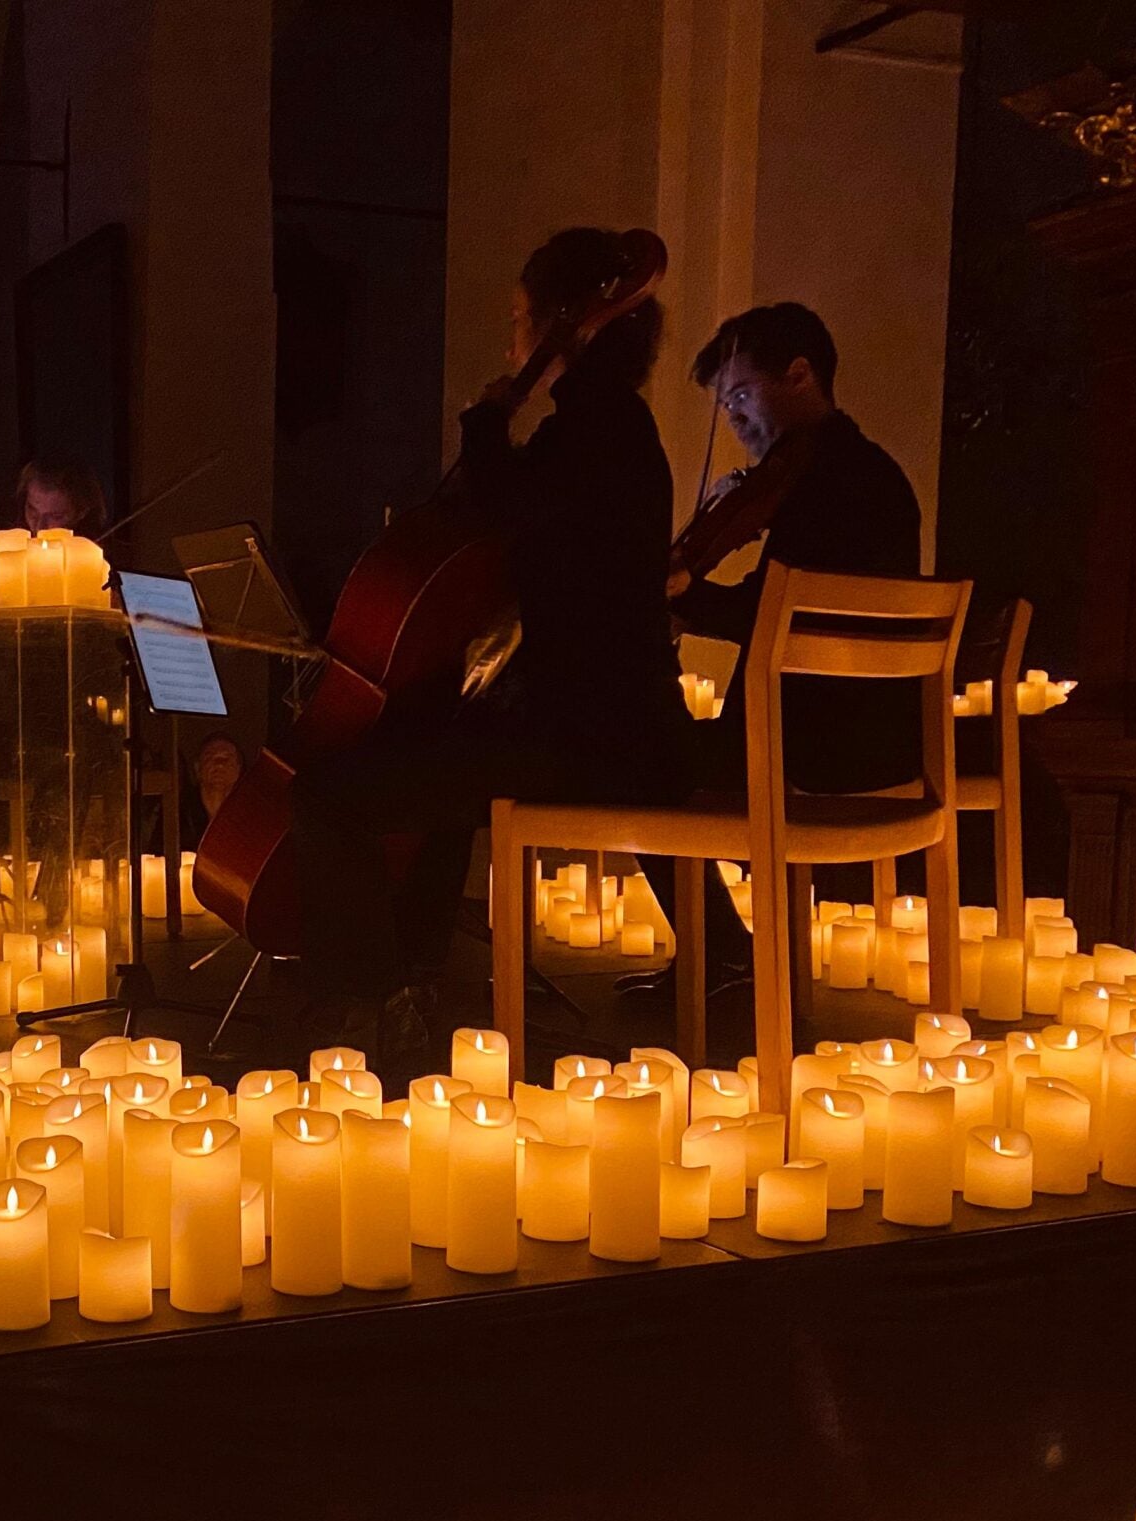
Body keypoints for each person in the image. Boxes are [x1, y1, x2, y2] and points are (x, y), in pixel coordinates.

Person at [291, 227, 695, 1065]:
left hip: (586, 738)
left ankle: (366, 1007)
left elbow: (497, 506)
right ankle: (409, 984)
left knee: (330, 792)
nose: (512, 338)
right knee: (427, 755)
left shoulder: (595, 431)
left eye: (521, 317)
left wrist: (487, 418)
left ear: (568, 325)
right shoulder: (609, 428)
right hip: (606, 724)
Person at [672, 302, 924, 795]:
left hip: (803, 750)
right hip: (871, 745)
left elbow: (774, 612)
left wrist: (684, 596)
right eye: (726, 406)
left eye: (742, 395)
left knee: (628, 760)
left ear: (800, 375)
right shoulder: (870, 471)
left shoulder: (831, 480)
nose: (735, 420)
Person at [15, 455, 109, 538]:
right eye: (32, 510)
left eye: (56, 516)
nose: (40, 527)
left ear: (81, 512)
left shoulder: (103, 555)